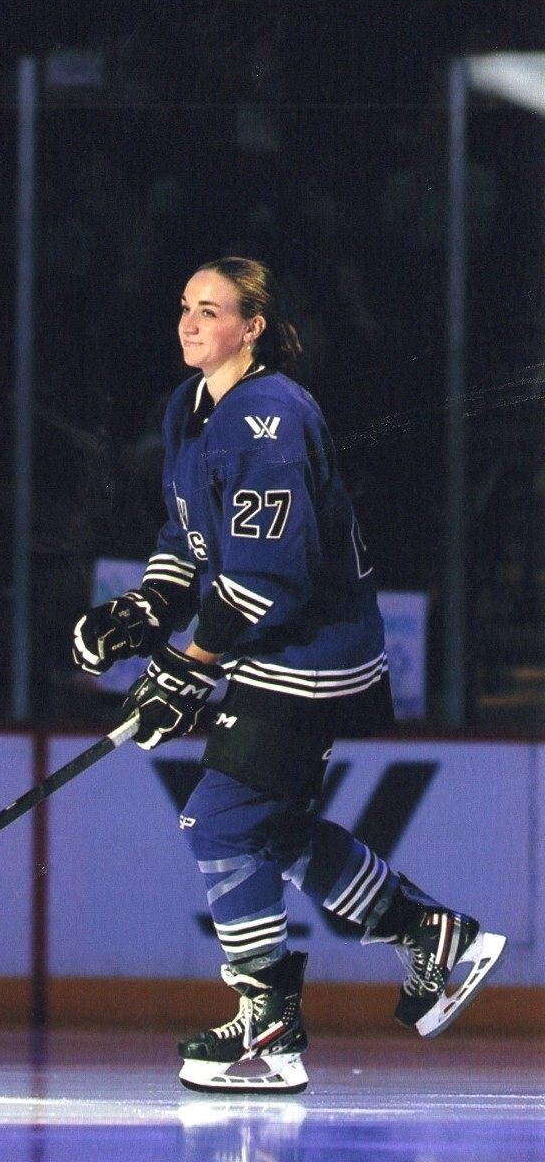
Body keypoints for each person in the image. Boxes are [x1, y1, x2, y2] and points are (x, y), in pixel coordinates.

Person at [72, 257, 505, 1094]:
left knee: (222, 822)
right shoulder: (190, 409)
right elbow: (187, 540)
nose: (189, 323)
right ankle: (428, 933)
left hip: (314, 654)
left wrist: (186, 668)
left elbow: (270, 579)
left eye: (211, 310)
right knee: (263, 829)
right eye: (185, 306)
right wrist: (143, 612)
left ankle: (268, 1023)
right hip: (276, 647)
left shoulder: (269, 416)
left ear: (253, 326)